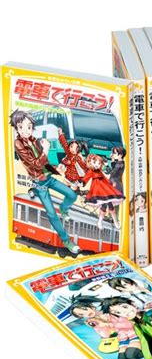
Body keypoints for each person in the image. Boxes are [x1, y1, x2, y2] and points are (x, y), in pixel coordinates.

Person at [10, 109, 80, 254]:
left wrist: (56, 167)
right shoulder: (18, 143)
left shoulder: (34, 140)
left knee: (72, 195)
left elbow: (44, 162)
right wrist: (46, 149)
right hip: (39, 182)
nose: (26, 130)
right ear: (16, 127)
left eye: (29, 127)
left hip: (48, 177)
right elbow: (36, 164)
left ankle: (64, 209)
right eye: (21, 127)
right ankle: (67, 241)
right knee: (51, 213)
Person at [81, 154, 125, 230]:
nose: (97, 165)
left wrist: (110, 183)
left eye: (99, 163)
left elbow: (105, 177)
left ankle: (114, 221)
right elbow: (85, 179)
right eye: (95, 163)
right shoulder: (91, 171)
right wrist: (81, 183)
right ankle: (101, 221)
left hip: (105, 188)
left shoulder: (99, 171)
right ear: (90, 162)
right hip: (98, 190)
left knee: (110, 206)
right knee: (104, 206)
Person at [57, 127, 87, 192]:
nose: (73, 149)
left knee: (73, 191)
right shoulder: (69, 153)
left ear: (79, 149)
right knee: (64, 188)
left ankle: (79, 192)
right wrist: (61, 134)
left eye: (76, 148)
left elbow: (84, 167)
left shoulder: (78, 158)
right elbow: (65, 144)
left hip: (75, 180)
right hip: (67, 177)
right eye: (71, 146)